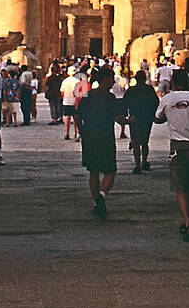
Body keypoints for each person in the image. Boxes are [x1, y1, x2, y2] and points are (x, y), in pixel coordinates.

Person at [154, 68, 189, 241]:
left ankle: (188, 221)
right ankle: (187, 220)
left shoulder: (167, 99)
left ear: (172, 81)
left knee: (180, 186)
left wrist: (171, 115)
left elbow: (157, 118)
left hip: (178, 146)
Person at [77, 67, 118, 218]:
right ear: (105, 79)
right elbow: (117, 117)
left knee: (93, 171)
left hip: (90, 137)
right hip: (106, 137)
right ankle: (101, 195)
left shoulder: (88, 96)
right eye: (112, 78)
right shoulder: (110, 97)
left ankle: (96, 202)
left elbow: (77, 116)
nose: (113, 81)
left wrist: (83, 133)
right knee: (110, 170)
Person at [125, 69, 160, 173]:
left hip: (134, 118)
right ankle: (144, 162)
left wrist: (126, 116)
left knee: (136, 142)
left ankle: (137, 165)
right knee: (144, 142)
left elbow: (125, 102)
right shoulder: (149, 89)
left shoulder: (131, 90)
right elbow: (156, 102)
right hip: (146, 119)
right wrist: (152, 114)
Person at [61, 65, 80, 139]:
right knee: (76, 117)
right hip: (75, 102)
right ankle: (77, 133)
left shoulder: (65, 81)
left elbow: (62, 92)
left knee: (67, 117)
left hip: (67, 101)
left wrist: (64, 97)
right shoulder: (77, 81)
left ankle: (67, 133)